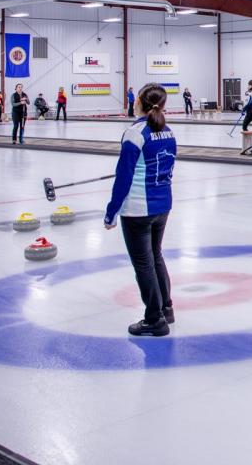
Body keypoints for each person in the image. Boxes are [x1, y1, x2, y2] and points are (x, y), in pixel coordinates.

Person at [103, 82, 178, 337]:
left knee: (144, 263)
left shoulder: (135, 133)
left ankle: (154, 319)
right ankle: (166, 308)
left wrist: (111, 211)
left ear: (140, 103)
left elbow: (123, 178)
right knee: (155, 256)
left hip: (138, 209)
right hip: (163, 205)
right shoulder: (168, 131)